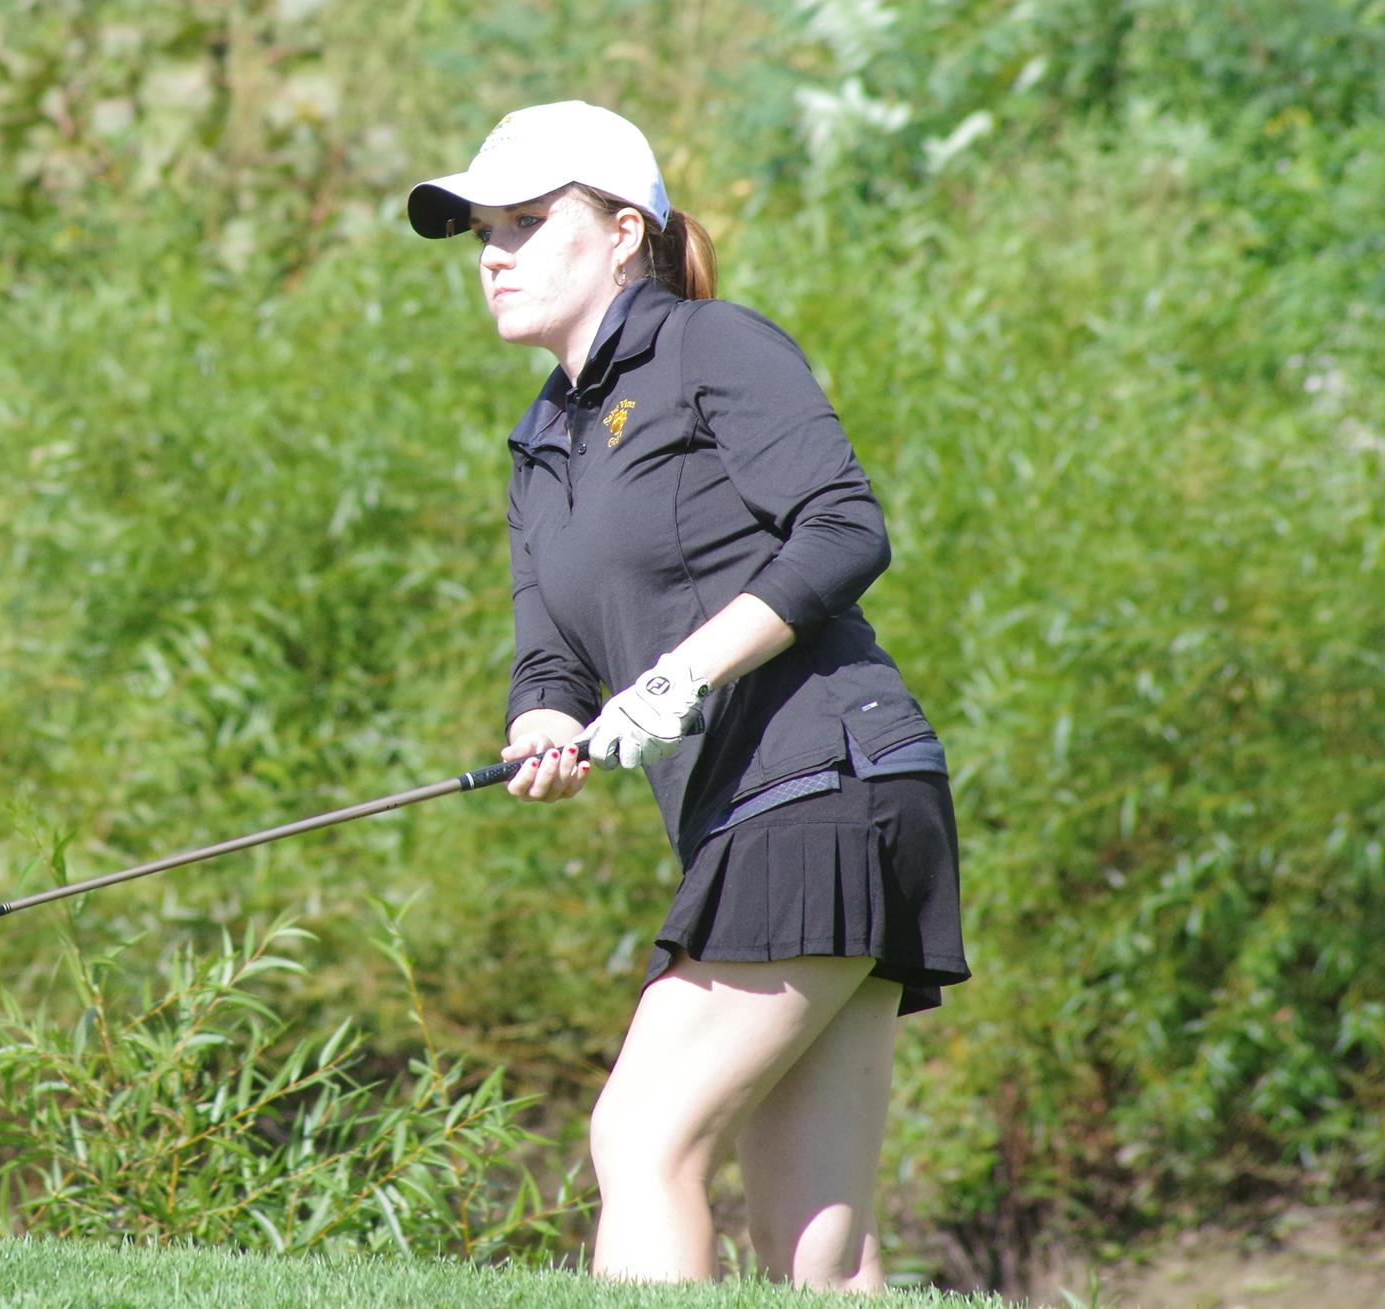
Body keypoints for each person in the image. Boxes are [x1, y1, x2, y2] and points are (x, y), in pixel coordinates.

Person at [406, 102, 970, 1291]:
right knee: (814, 1239)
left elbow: (843, 527)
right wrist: (543, 721)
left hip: (828, 779)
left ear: (622, 234)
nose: (493, 254)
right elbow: (549, 652)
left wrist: (677, 674)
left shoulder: (710, 347)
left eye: (523, 221)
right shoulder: (539, 442)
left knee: (640, 1135)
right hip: (771, 805)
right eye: (480, 233)